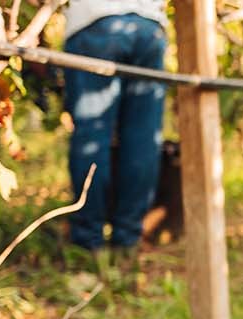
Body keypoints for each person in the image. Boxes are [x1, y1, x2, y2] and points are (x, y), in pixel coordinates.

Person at [61, 0, 169, 256]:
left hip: (93, 21)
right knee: (143, 137)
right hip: (148, 27)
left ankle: (89, 241)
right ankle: (128, 239)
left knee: (92, 136)